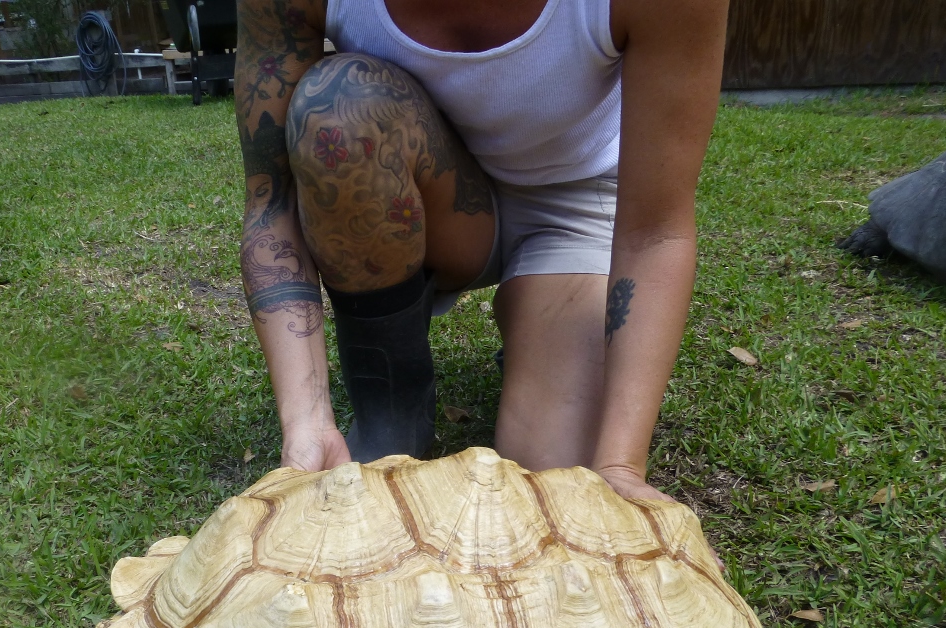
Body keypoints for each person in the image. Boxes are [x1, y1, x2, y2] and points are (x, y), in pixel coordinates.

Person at [236, 0, 729, 505]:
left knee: (565, 486)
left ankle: (543, 322)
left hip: (575, 203)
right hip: (427, 189)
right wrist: (306, 422)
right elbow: (271, 203)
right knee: (337, 107)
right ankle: (391, 406)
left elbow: (654, 232)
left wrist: (621, 464)